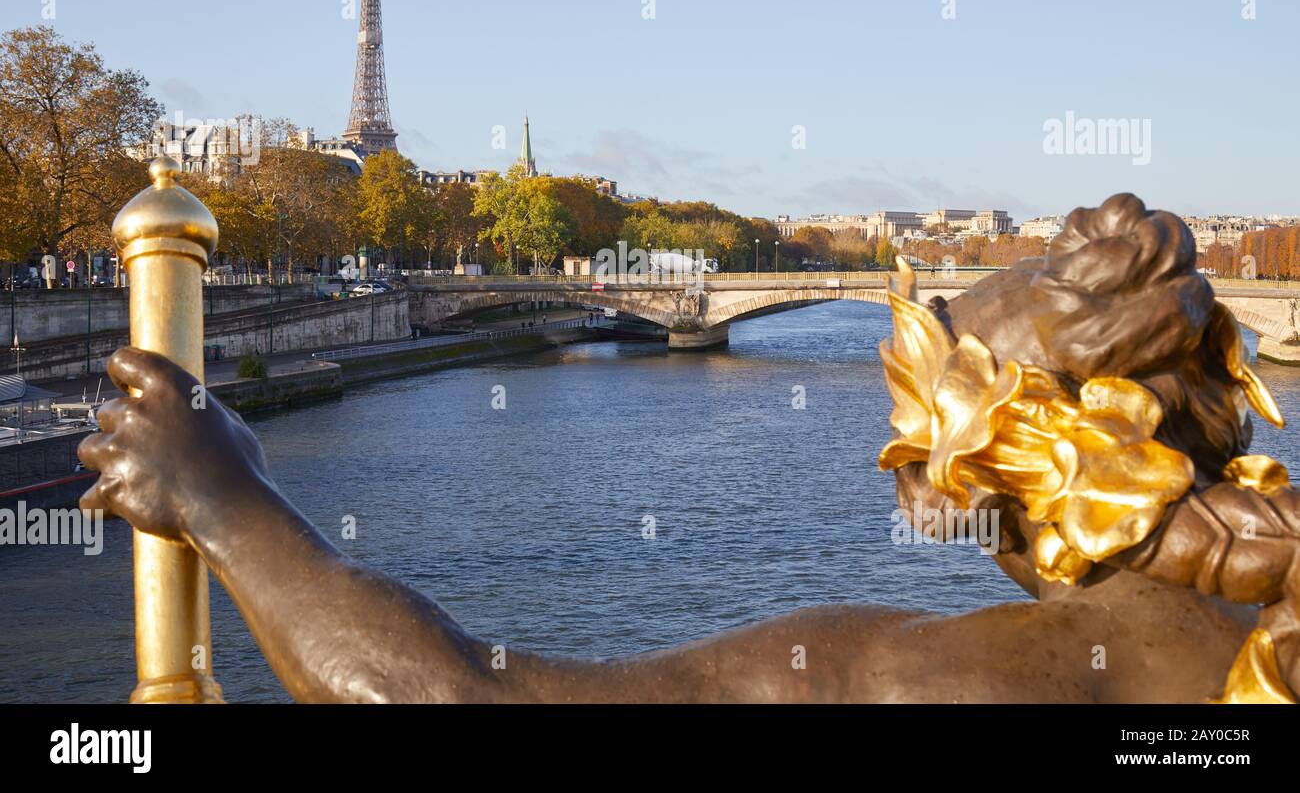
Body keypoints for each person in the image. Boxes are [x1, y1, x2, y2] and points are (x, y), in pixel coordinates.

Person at [77, 194, 1300, 703]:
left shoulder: (906, 673)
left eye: (918, 444)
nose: (914, 499)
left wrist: (224, 498)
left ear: (1024, 454)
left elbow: (446, 695)